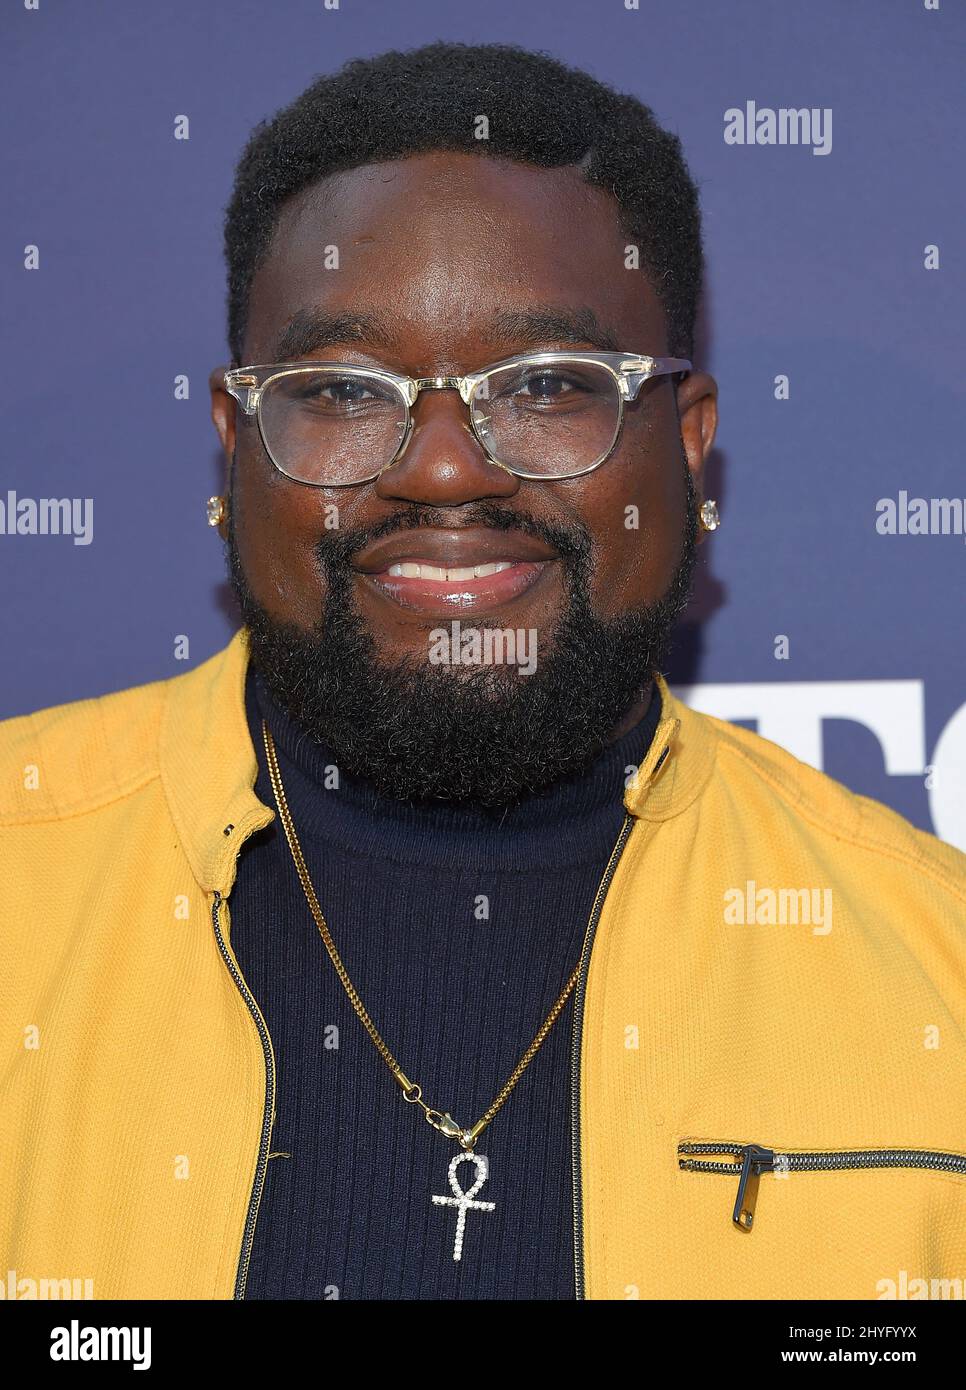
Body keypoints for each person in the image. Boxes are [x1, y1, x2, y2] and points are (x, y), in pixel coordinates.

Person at [2, 42, 963, 1303]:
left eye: (550, 385)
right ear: (233, 450)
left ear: (688, 447)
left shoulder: (933, 970)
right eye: (342, 388)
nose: (446, 470)